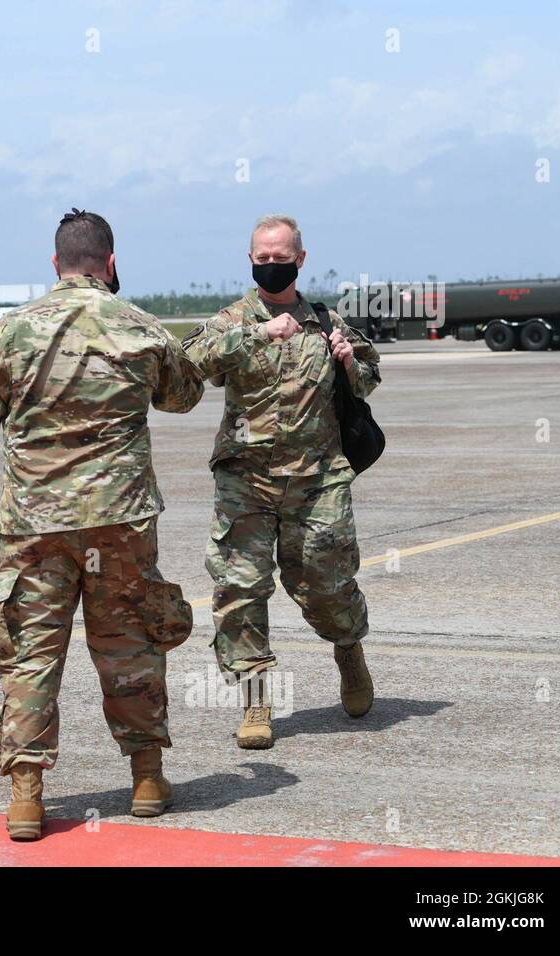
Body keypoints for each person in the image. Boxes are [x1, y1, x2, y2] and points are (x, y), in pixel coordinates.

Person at [0, 209, 204, 841]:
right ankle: (147, 778)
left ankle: (26, 795)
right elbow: (182, 395)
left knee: (31, 653)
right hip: (120, 521)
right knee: (130, 643)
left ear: (54, 265)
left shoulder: (10, 333)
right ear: (110, 261)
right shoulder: (139, 327)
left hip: (36, 523)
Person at [182, 214, 380, 750]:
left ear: (301, 258)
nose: (272, 266)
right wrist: (255, 335)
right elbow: (190, 365)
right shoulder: (232, 320)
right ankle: (255, 699)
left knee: (326, 585)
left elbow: (370, 374)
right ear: (250, 260)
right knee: (240, 589)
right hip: (246, 480)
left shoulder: (324, 319)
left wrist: (348, 360)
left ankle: (348, 650)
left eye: (281, 257)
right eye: (262, 259)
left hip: (318, 479)